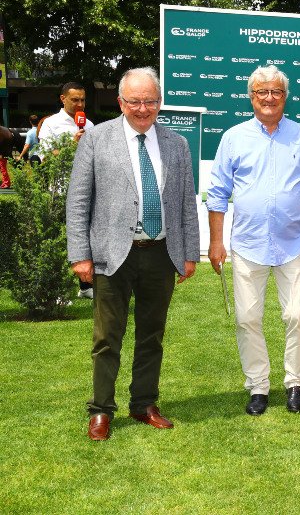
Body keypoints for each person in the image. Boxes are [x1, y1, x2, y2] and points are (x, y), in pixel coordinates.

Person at [66, 67, 200, 441]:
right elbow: (78, 201)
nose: (143, 109)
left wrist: (190, 252)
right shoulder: (96, 139)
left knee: (152, 336)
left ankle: (144, 404)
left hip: (161, 253)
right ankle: (101, 410)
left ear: (160, 102)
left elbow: (186, 204)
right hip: (111, 254)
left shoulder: (177, 144)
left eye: (151, 101)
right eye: (135, 101)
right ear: (120, 102)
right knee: (107, 337)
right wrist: (80, 254)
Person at [207, 65, 300, 416]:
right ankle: (258, 388)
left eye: (276, 92)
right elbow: (218, 194)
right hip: (247, 245)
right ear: (251, 97)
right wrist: (216, 242)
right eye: (261, 92)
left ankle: (296, 383)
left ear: (285, 97)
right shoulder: (234, 138)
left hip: (294, 243)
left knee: (299, 313)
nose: (269, 98)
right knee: (246, 318)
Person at [41, 82, 96, 299]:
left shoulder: (89, 125)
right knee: (58, 240)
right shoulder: (51, 124)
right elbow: (44, 155)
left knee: (85, 238)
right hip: (60, 189)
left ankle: (85, 287)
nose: (79, 104)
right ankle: (57, 291)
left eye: (82, 99)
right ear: (62, 99)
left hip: (86, 190)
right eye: (75, 99)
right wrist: (71, 145)